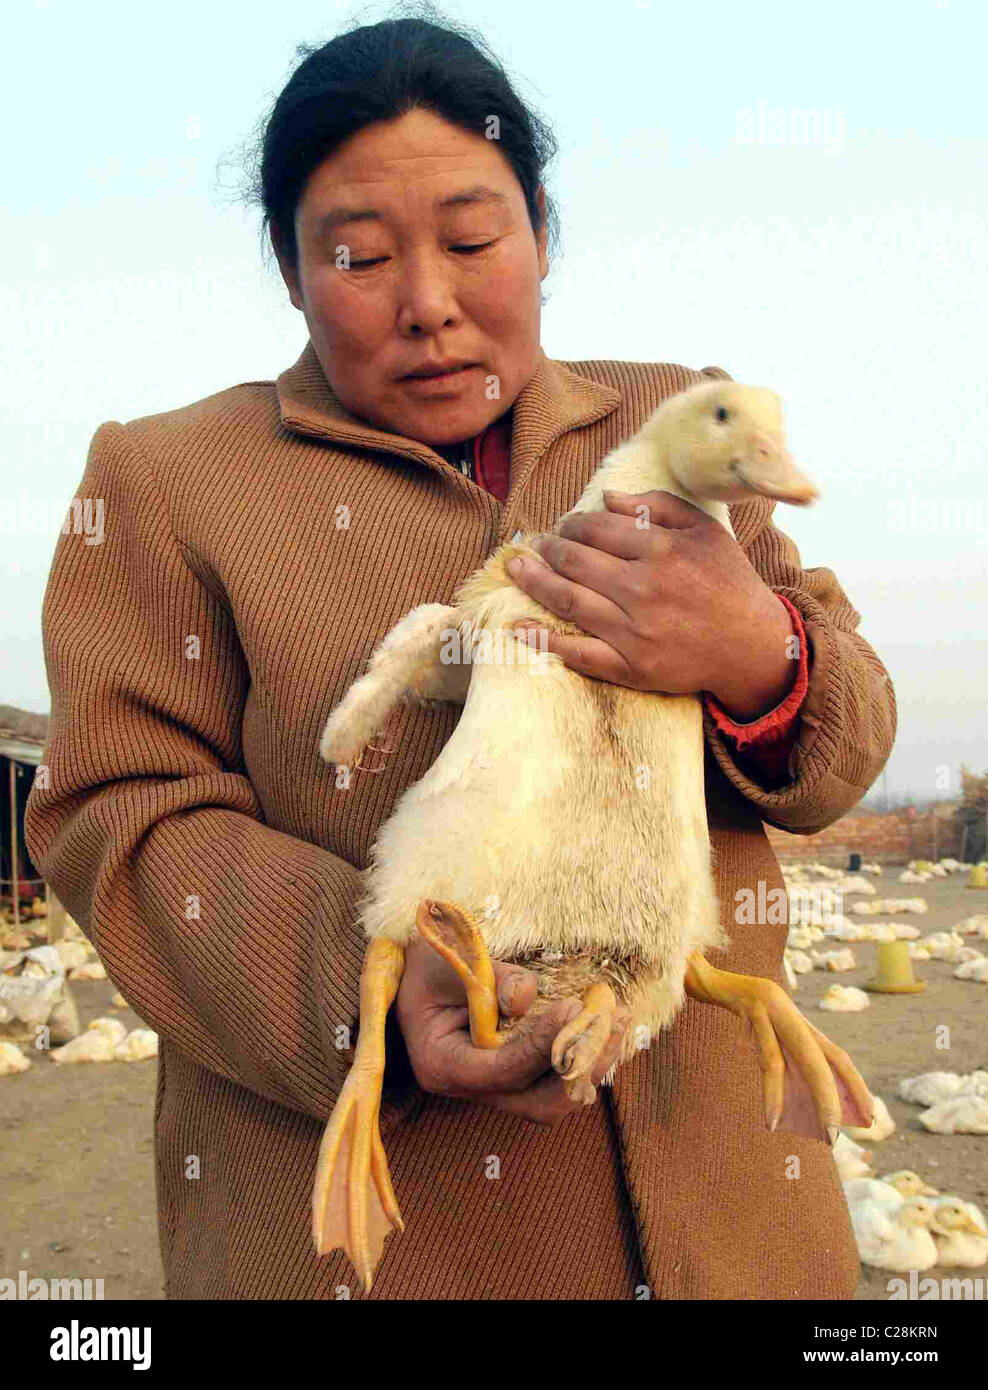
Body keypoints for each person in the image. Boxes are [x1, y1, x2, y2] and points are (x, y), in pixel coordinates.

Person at [26, 11, 896, 1300]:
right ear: (288, 266)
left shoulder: (673, 421)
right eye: (360, 257)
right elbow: (116, 813)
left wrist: (758, 654)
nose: (428, 305)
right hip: (390, 1258)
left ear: (542, 232)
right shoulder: (169, 483)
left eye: (475, 239)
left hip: (741, 1242)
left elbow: (839, 753)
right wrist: (371, 976)